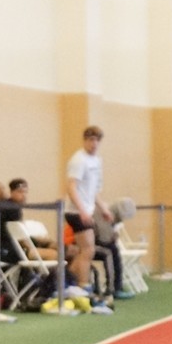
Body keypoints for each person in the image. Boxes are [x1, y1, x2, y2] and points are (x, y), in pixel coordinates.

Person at [64, 126, 114, 297]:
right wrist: (82, 211)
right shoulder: (79, 160)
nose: (94, 144)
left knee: (84, 251)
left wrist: (103, 208)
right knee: (88, 250)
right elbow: (71, 188)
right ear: (85, 140)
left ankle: (67, 281)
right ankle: (83, 285)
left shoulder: (97, 161)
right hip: (75, 211)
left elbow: (93, 191)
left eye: (97, 140)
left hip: (87, 210)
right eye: (91, 140)